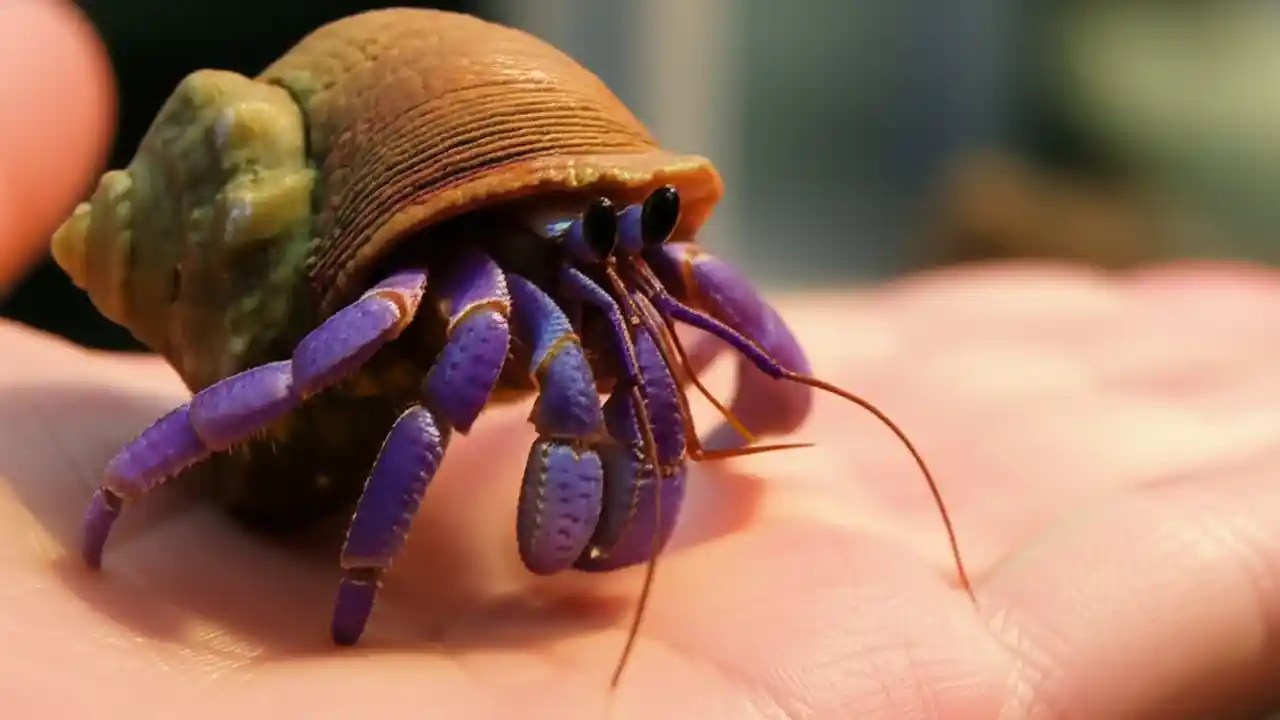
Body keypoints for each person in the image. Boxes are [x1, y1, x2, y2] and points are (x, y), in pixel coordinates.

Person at [3, 1, 1279, 717]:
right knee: (485, 340)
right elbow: (338, 367)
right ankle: (319, 552)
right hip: (400, 242)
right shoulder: (493, 307)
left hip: (470, 208)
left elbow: (652, 273)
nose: (641, 264)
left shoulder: (615, 250)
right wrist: (130, 494)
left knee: (621, 288)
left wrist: (752, 409)